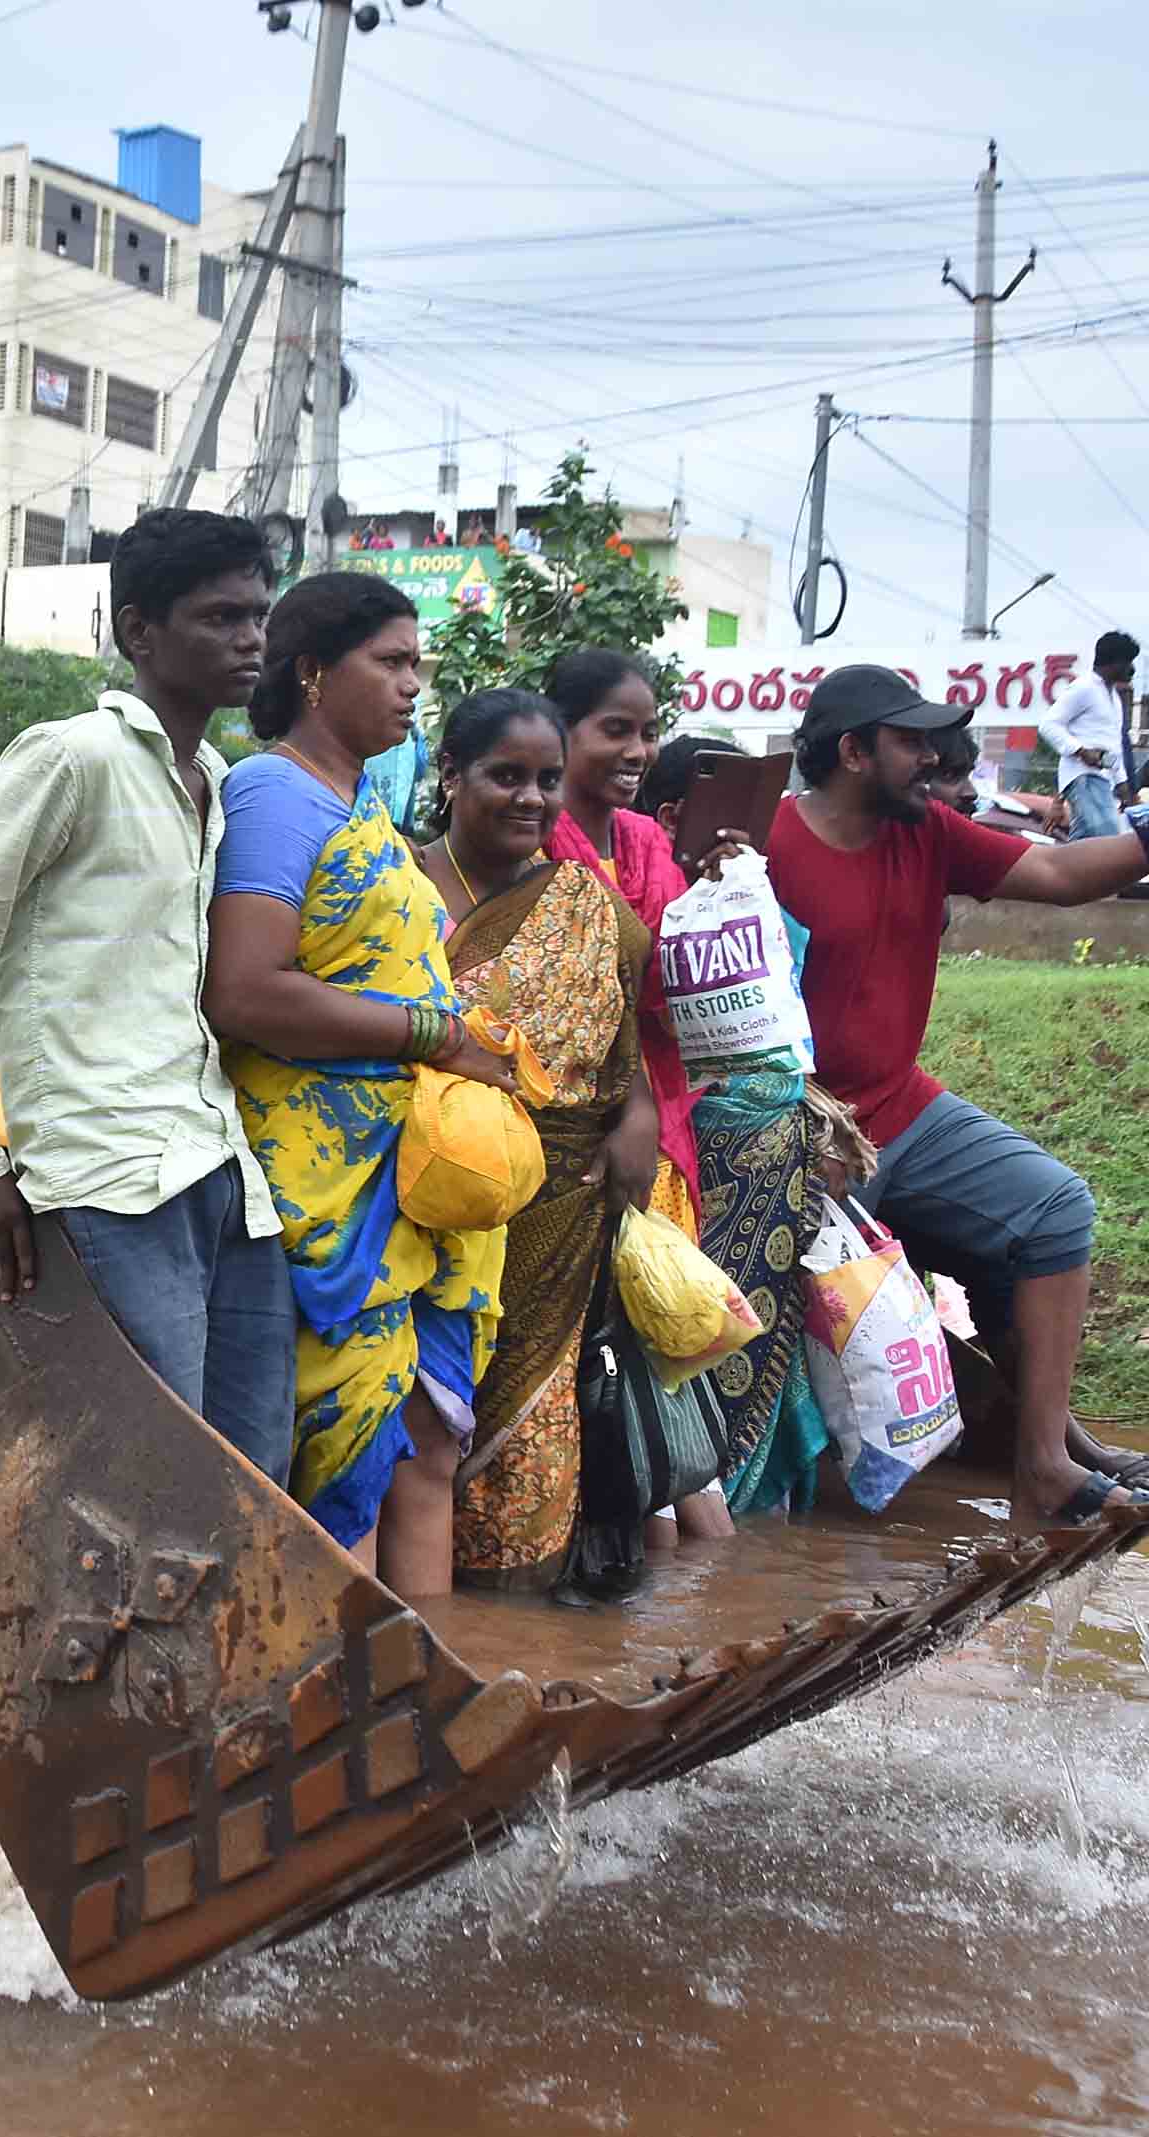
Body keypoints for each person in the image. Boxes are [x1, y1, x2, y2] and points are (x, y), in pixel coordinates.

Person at [767, 664, 1149, 1535]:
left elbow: (1061, 874)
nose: (931, 759)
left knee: (1052, 1208)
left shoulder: (931, 834)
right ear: (852, 752)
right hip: (795, 1129)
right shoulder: (768, 843)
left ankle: (1047, 1462)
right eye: (911, 742)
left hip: (902, 1111)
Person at [0, 509, 296, 1478]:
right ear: (137, 633)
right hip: (106, 1179)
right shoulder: (73, 756)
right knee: (141, 1484)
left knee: (248, 1482)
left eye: (258, 614)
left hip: (220, 1174)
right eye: (219, 616)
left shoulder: (214, 776)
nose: (249, 638)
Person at [205, 574, 515, 1591]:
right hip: (321, 1185)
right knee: (334, 1455)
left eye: (416, 663)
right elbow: (245, 988)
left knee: (424, 1443)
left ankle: (423, 1697)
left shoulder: (364, 807)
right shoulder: (272, 795)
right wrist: (434, 1034)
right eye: (390, 661)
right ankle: (333, 1710)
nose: (412, 685)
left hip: (406, 1180)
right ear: (310, 671)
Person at [421, 688, 664, 1596]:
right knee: (419, 1430)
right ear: (450, 774)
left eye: (547, 781)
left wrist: (638, 1113)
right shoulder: (401, 892)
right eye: (506, 776)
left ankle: (511, 1641)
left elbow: (619, 1028)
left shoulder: (578, 901)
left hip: (562, 1208)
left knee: (533, 1435)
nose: (531, 799)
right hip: (429, 1203)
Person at [538, 648, 735, 1548]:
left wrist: (718, 900)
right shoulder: (537, 838)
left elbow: (669, 987)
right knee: (607, 1368)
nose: (637, 748)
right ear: (563, 728)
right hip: (575, 1141)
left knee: (656, 1357)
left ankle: (679, 1571)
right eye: (615, 728)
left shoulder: (650, 843)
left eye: (648, 731)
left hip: (664, 1135)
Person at [1034, 631, 1142, 839]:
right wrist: (1081, 751)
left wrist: (1123, 786)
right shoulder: (1084, 688)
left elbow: (1114, 747)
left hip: (1103, 780)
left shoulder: (1113, 698)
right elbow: (1049, 724)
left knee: (1092, 840)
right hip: (1083, 776)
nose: (1132, 669)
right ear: (1114, 662)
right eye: (1128, 662)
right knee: (1104, 836)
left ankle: (1062, 869)